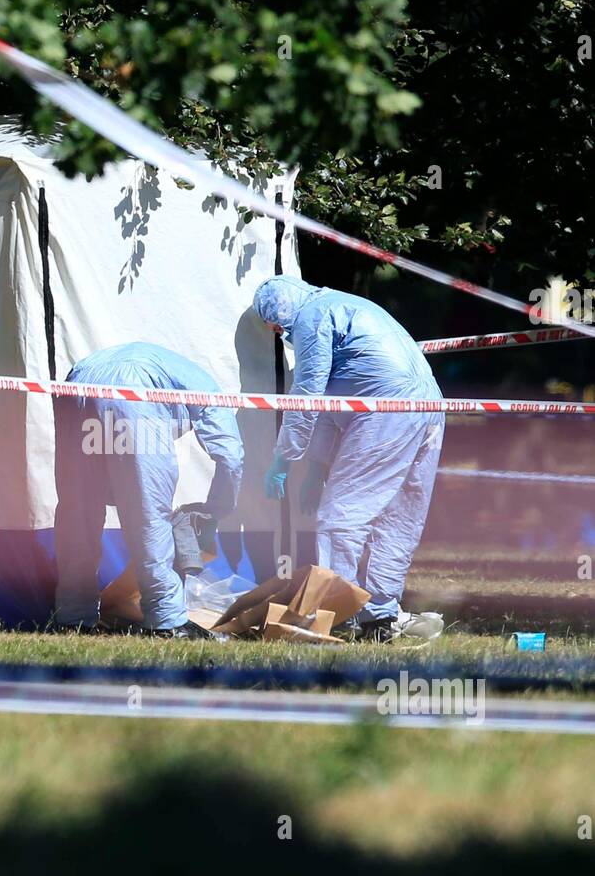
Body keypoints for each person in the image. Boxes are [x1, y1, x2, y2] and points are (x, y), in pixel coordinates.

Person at [253, 275, 445, 641]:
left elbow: (306, 396)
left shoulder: (312, 318)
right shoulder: (343, 305)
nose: (279, 333)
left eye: (275, 326)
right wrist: (317, 466)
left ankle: (337, 615)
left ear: (280, 314)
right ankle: (381, 617)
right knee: (397, 519)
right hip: (429, 406)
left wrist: (284, 459)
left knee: (338, 517)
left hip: (388, 411)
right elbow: (330, 402)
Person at [53, 342, 244, 637]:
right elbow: (231, 457)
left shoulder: (171, 370)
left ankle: (72, 617)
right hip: (137, 392)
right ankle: (165, 620)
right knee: (149, 517)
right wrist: (216, 510)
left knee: (77, 513)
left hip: (76, 385)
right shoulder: (209, 391)